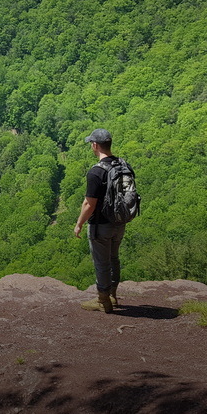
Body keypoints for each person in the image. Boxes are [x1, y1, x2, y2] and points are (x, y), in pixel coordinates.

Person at [73, 128, 125, 313]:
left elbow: (89, 204)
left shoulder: (96, 172)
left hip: (100, 225)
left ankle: (103, 301)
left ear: (95, 145)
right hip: (119, 222)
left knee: (101, 263)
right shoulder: (122, 165)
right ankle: (113, 295)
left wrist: (79, 224)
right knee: (114, 259)